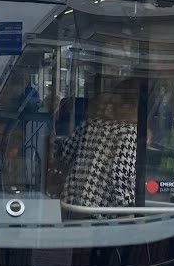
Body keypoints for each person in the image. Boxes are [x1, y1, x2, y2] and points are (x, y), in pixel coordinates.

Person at [52, 80, 139, 209]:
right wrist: (128, 208)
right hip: (106, 210)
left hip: (73, 202)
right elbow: (120, 177)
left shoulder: (89, 125)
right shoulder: (130, 132)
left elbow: (64, 154)